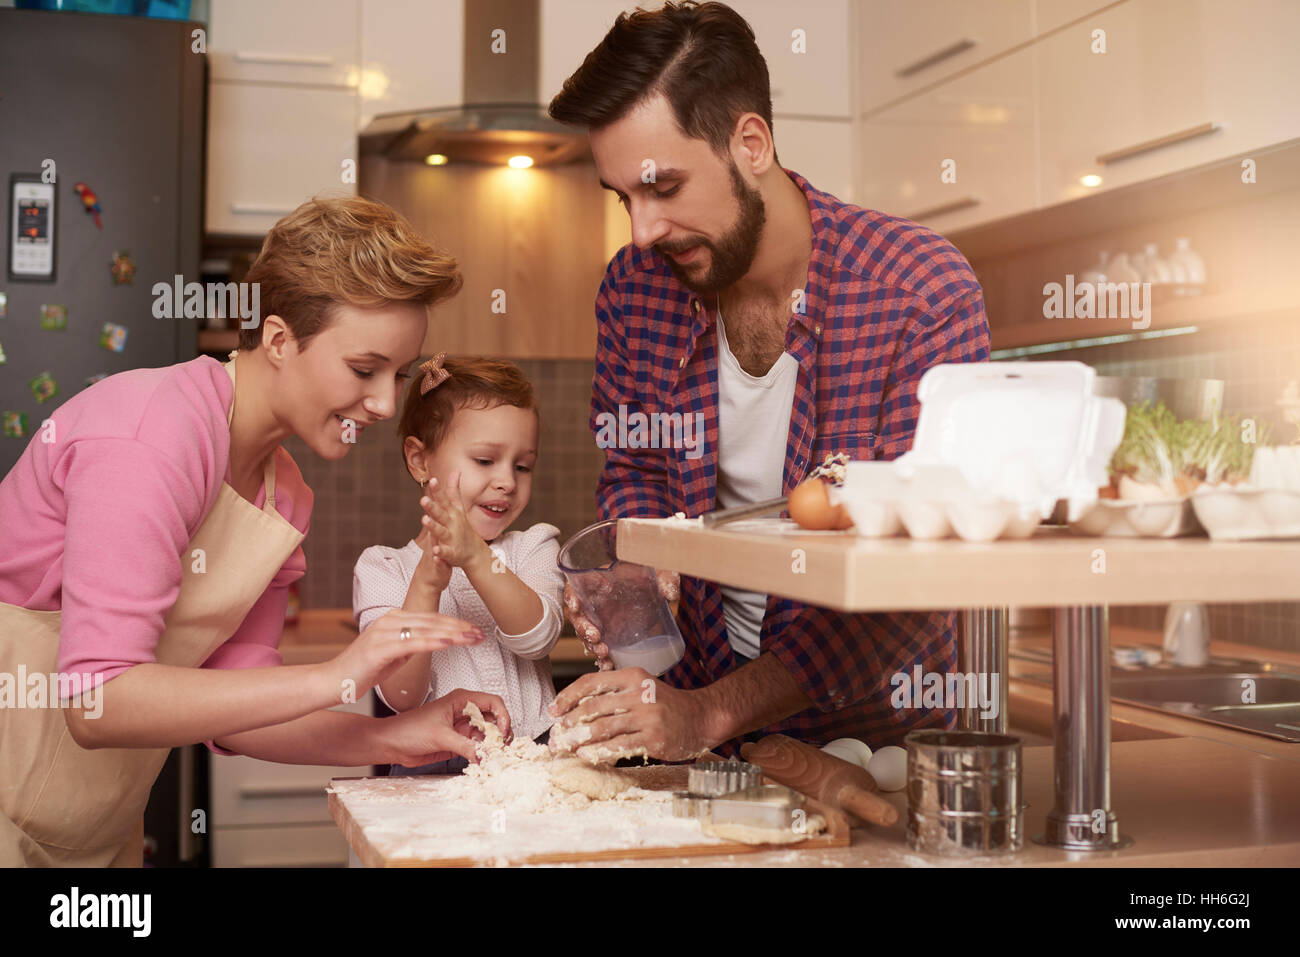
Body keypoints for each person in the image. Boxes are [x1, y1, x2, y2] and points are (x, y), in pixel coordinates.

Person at [0, 197, 509, 866]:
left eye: (400, 374)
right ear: (277, 340)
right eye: (364, 369)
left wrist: (401, 735)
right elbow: (98, 700)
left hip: (94, 830)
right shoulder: (150, 437)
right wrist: (341, 674)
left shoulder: (285, 493)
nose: (386, 404)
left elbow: (241, 713)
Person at [545, 2, 991, 761]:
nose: (641, 230)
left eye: (663, 187)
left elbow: (914, 580)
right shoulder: (634, 288)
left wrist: (715, 712)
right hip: (699, 740)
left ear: (751, 142)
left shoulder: (920, 291)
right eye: (625, 196)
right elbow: (635, 471)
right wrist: (631, 586)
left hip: (875, 745)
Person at [352, 355, 564, 775]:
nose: (506, 480)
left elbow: (537, 637)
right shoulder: (383, 569)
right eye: (485, 460)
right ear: (420, 460)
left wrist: (475, 556)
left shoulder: (534, 546)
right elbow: (402, 694)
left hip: (535, 763)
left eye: (523, 466)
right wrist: (427, 585)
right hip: (427, 771)